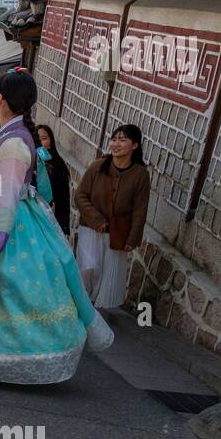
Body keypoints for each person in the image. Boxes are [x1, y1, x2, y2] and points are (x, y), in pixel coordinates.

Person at [0, 68, 112, 384]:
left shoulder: (12, 143)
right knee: (14, 286)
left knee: (4, 286)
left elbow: (7, 193)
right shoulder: (13, 135)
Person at [74, 124, 151, 308]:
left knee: (108, 274)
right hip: (90, 228)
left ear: (135, 145)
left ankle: (98, 314)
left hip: (118, 232)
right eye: (114, 139)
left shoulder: (140, 174)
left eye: (122, 140)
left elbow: (140, 209)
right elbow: (80, 195)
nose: (116, 144)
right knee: (87, 269)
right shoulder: (98, 166)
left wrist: (133, 238)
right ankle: (80, 308)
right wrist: (96, 219)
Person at [36, 123, 72, 236]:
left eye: (44, 138)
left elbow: (63, 198)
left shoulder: (58, 165)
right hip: (29, 214)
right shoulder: (26, 162)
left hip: (49, 216)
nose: (40, 142)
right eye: (37, 139)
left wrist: (63, 227)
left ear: (51, 142)